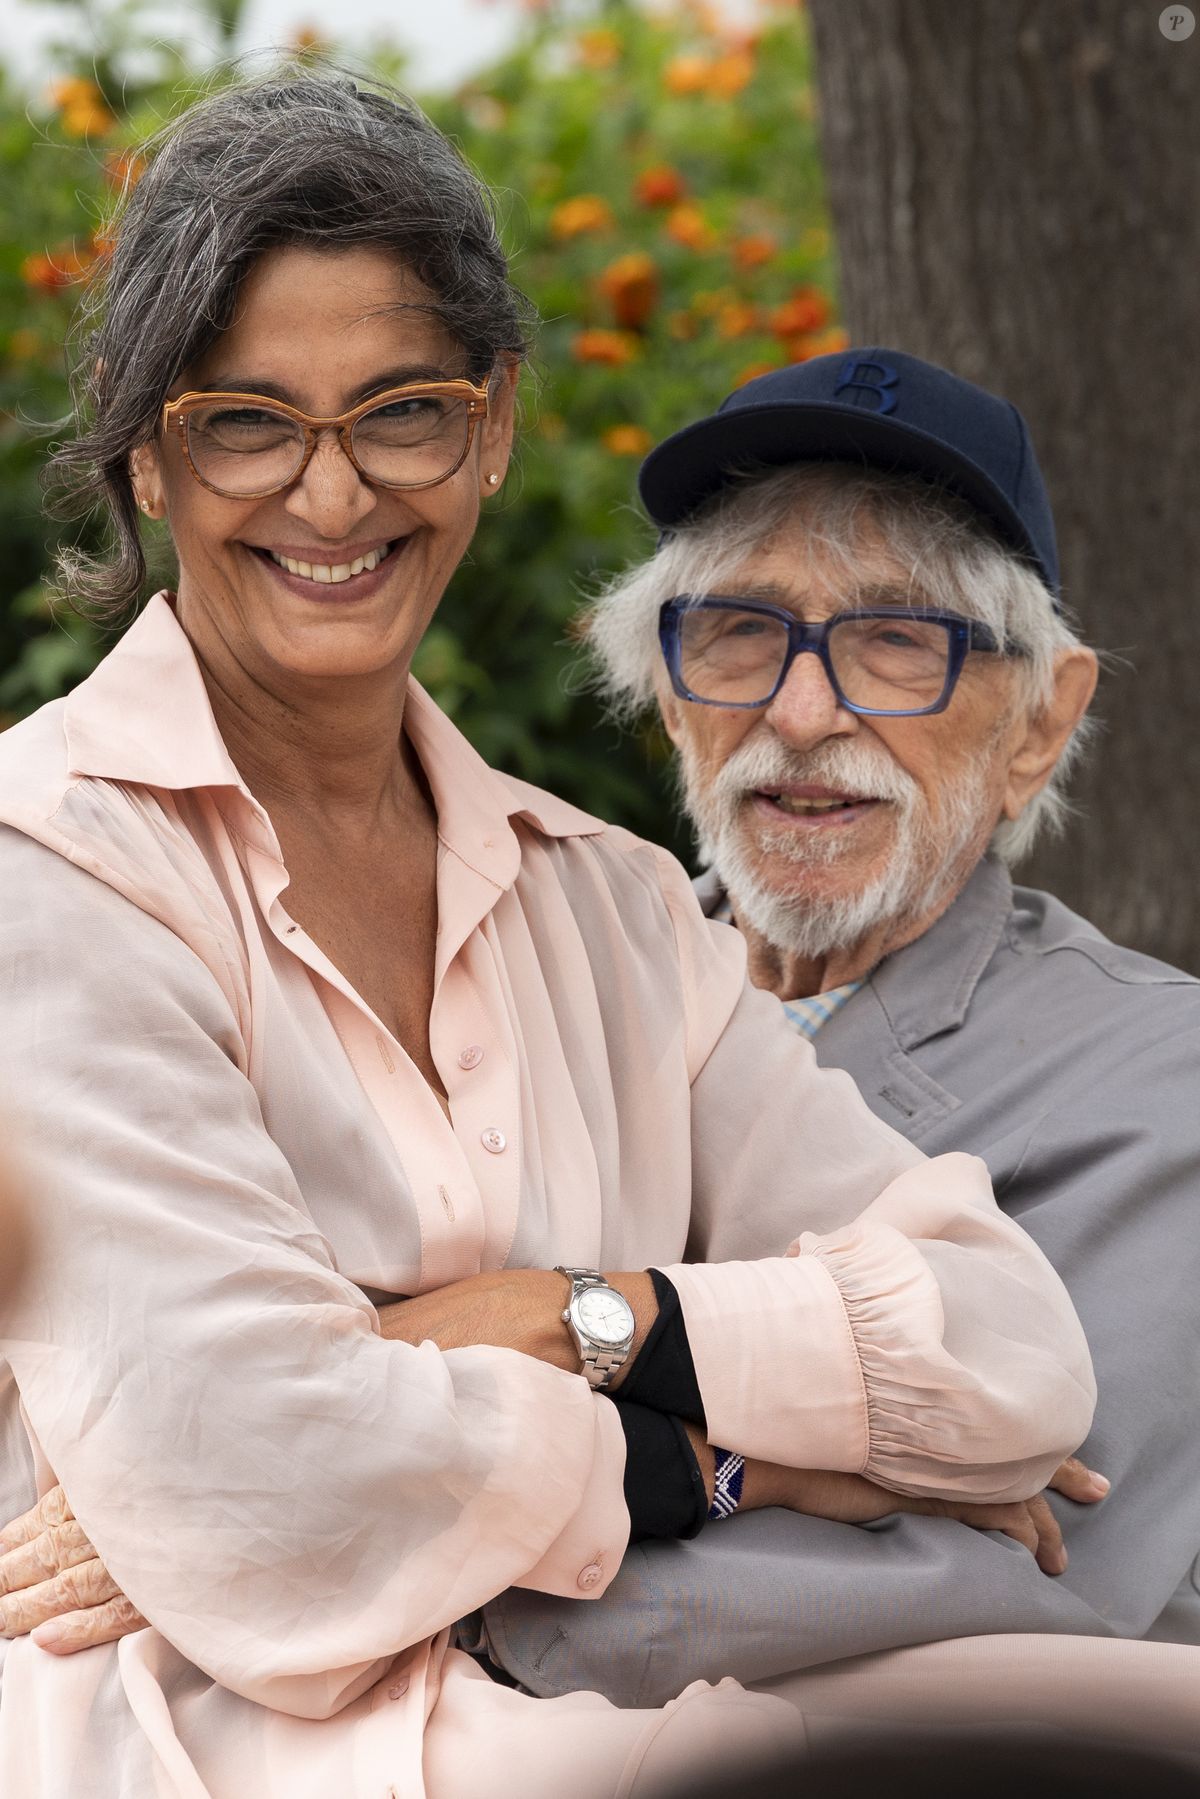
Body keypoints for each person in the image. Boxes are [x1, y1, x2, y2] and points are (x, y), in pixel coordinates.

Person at [0, 77, 1185, 1799]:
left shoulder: (603, 905)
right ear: (147, 459)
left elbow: (1013, 1364)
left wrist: (543, 1319)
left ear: (488, 428)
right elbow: (252, 1481)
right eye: (246, 423)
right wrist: (733, 1464)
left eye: (400, 414)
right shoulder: (49, 867)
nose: (330, 499)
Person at [471, 352, 1200, 1707]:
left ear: (1039, 723)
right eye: (742, 631)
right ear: (672, 692)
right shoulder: (520, 984)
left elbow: (1008, 1581)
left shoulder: (1168, 1092)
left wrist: (432, 1589)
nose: (804, 715)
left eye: (897, 641)